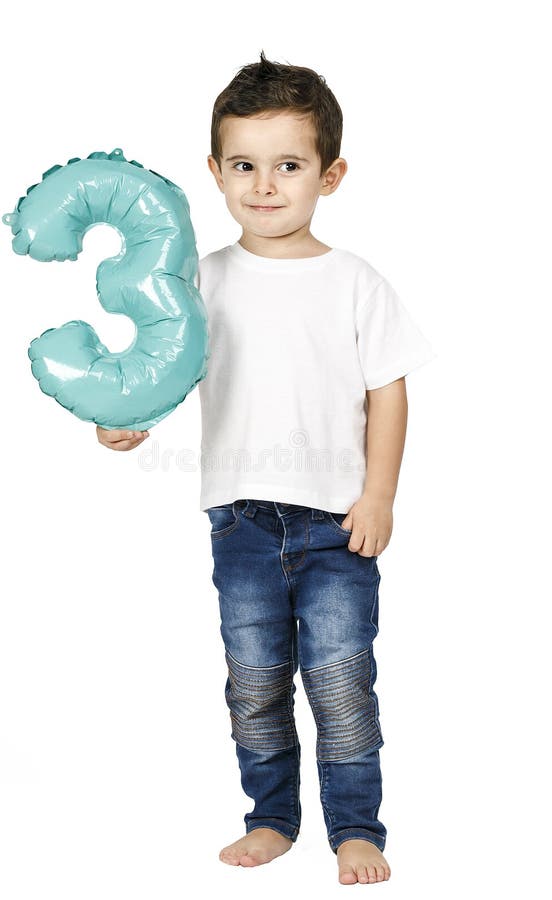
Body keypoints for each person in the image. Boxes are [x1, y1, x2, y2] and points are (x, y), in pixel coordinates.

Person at [97, 50, 436, 886]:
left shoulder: (354, 282)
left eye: (289, 165)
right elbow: (171, 367)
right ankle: (272, 817)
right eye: (244, 165)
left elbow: (386, 393)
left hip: (336, 524)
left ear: (332, 173)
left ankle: (356, 827)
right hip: (241, 523)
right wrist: (131, 417)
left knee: (342, 684)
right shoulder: (201, 281)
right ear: (214, 171)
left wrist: (381, 494)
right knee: (254, 683)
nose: (265, 185)